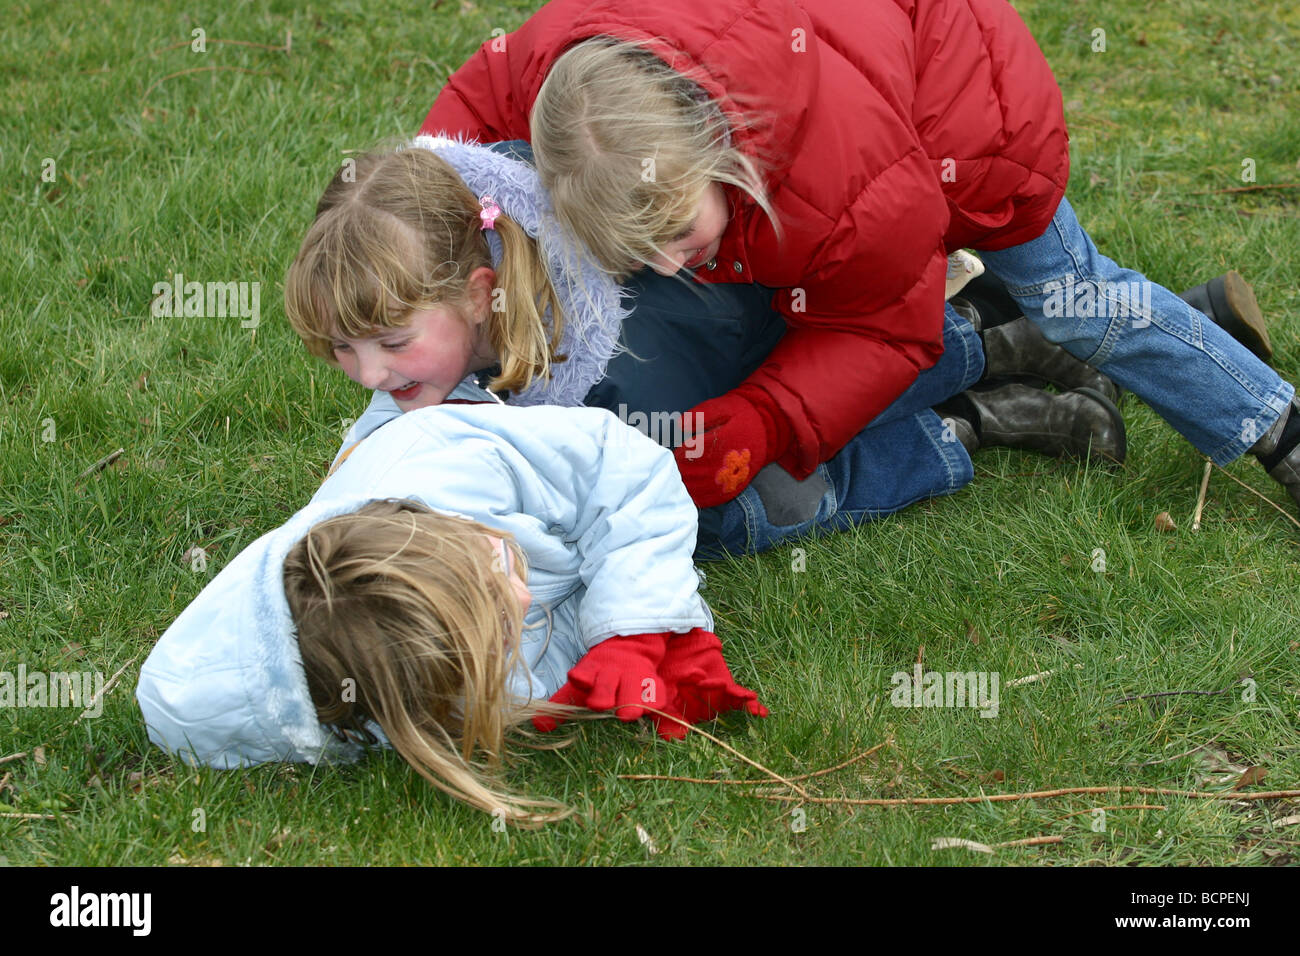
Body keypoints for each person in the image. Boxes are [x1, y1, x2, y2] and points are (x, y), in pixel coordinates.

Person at [418, 0, 1300, 520]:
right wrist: (416, 229)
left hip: (974, 128)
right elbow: (464, 125)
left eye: (677, 232)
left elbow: (886, 331)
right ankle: (1045, 348)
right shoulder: (565, 79)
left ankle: (1275, 425)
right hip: (848, 92)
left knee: (1082, 302)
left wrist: (765, 421)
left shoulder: (842, 191)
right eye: (632, 249)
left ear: (722, 155)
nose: (661, 262)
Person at [284, 137, 1142, 558]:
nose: (369, 376)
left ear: (479, 294)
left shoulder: (611, 386)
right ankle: (977, 416)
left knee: (764, 500)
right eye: (341, 351)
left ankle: (986, 351)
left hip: (769, 372)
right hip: (732, 378)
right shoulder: (471, 229)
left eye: (390, 344)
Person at [136, 402, 765, 826]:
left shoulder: (443, 455)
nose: (516, 589)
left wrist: (641, 622)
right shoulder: (435, 686)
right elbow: (549, 649)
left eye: (481, 555)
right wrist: (639, 645)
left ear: (424, 517)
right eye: (497, 624)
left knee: (709, 460)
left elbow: (623, 467)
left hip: (494, 405)